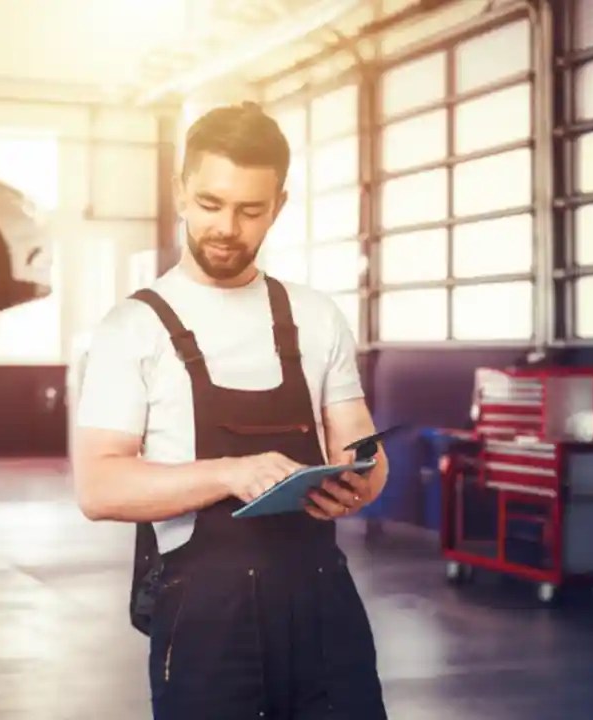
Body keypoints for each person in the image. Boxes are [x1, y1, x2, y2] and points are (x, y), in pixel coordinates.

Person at [71, 101, 390, 719]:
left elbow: (363, 449)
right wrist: (228, 473)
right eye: (211, 204)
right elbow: (99, 486)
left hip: (326, 612)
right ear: (181, 193)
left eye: (250, 210)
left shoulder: (315, 315)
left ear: (278, 206)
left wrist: (357, 483)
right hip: (207, 626)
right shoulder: (134, 327)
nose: (226, 227)